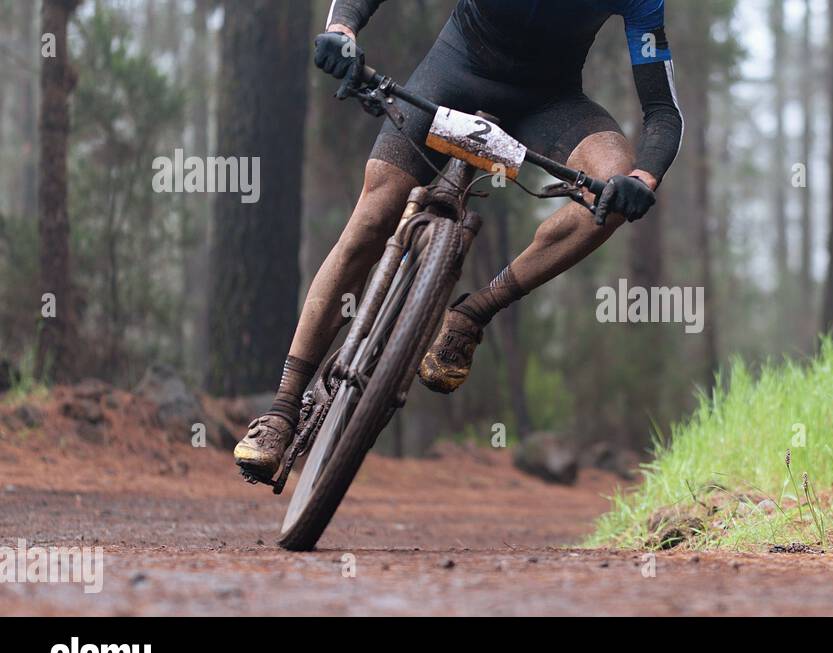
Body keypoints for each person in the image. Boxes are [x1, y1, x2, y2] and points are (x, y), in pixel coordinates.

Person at [234, 0, 683, 479]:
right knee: (372, 218)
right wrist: (343, 29)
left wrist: (643, 177)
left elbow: (662, 110)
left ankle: (473, 313)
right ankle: (282, 410)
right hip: (455, 71)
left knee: (609, 196)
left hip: (551, 104)